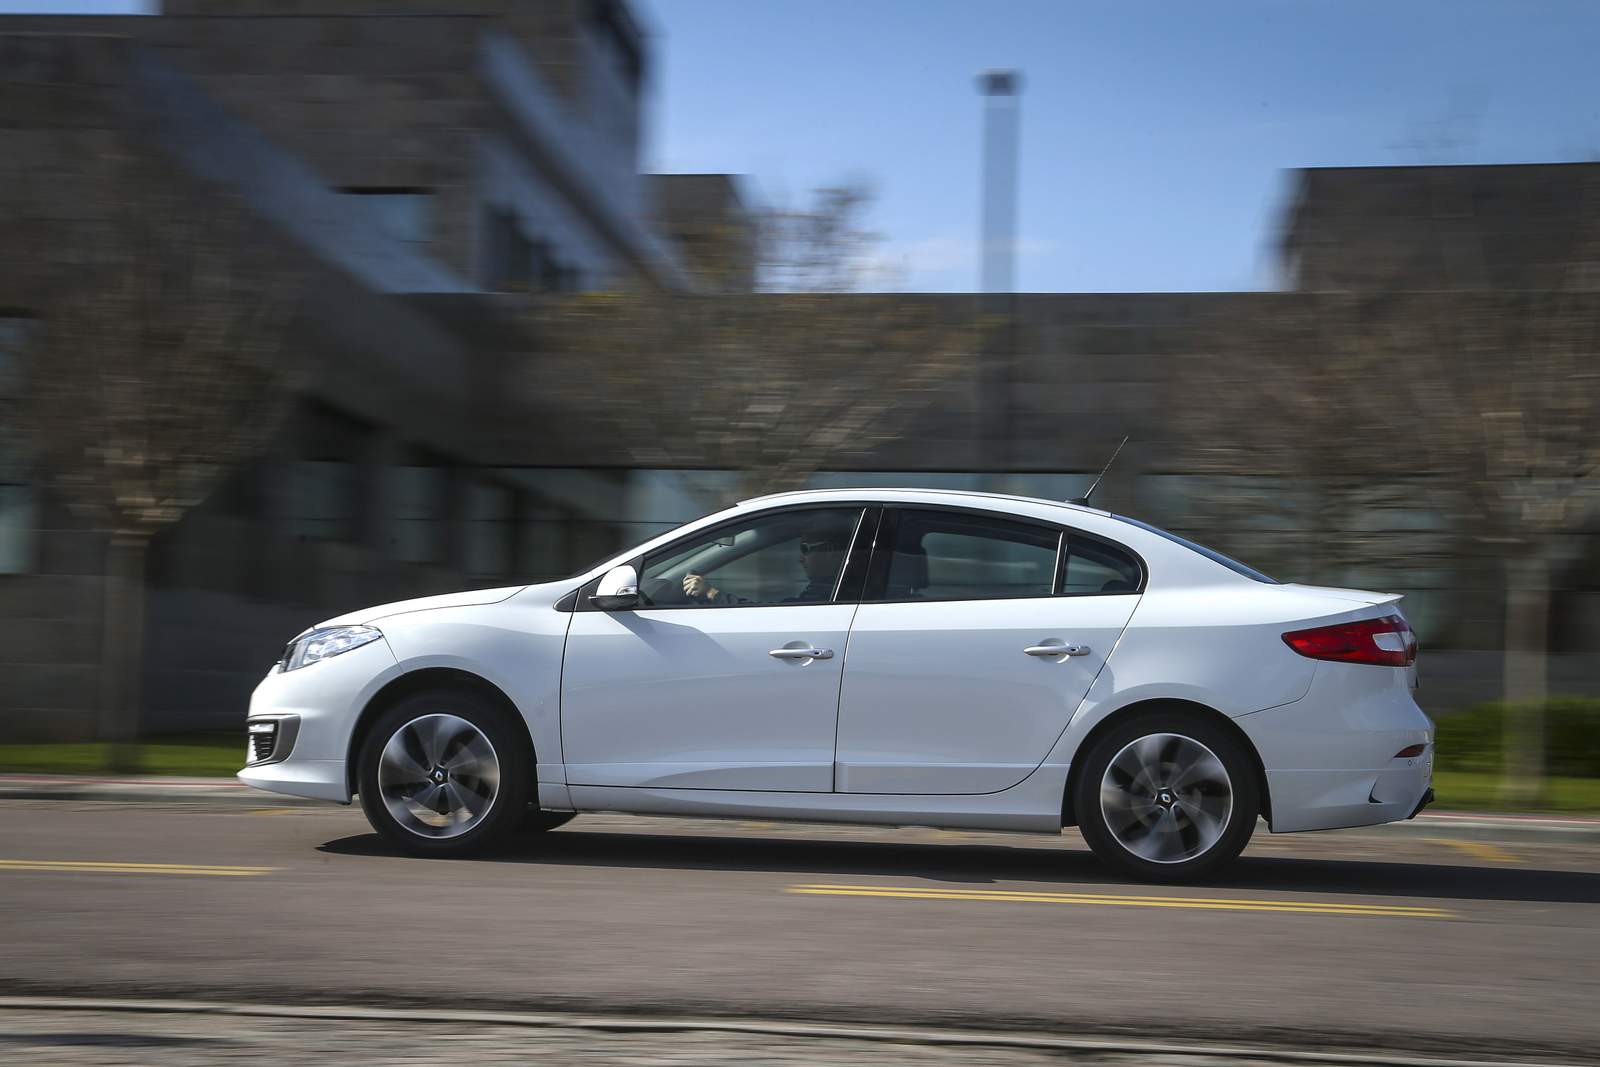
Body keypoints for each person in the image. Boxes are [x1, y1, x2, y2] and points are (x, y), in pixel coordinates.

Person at [682, 526, 847, 606]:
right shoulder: (831, 590)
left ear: (830, 550)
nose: (800, 559)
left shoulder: (831, 593)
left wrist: (711, 593)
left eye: (805, 549)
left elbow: (775, 617)